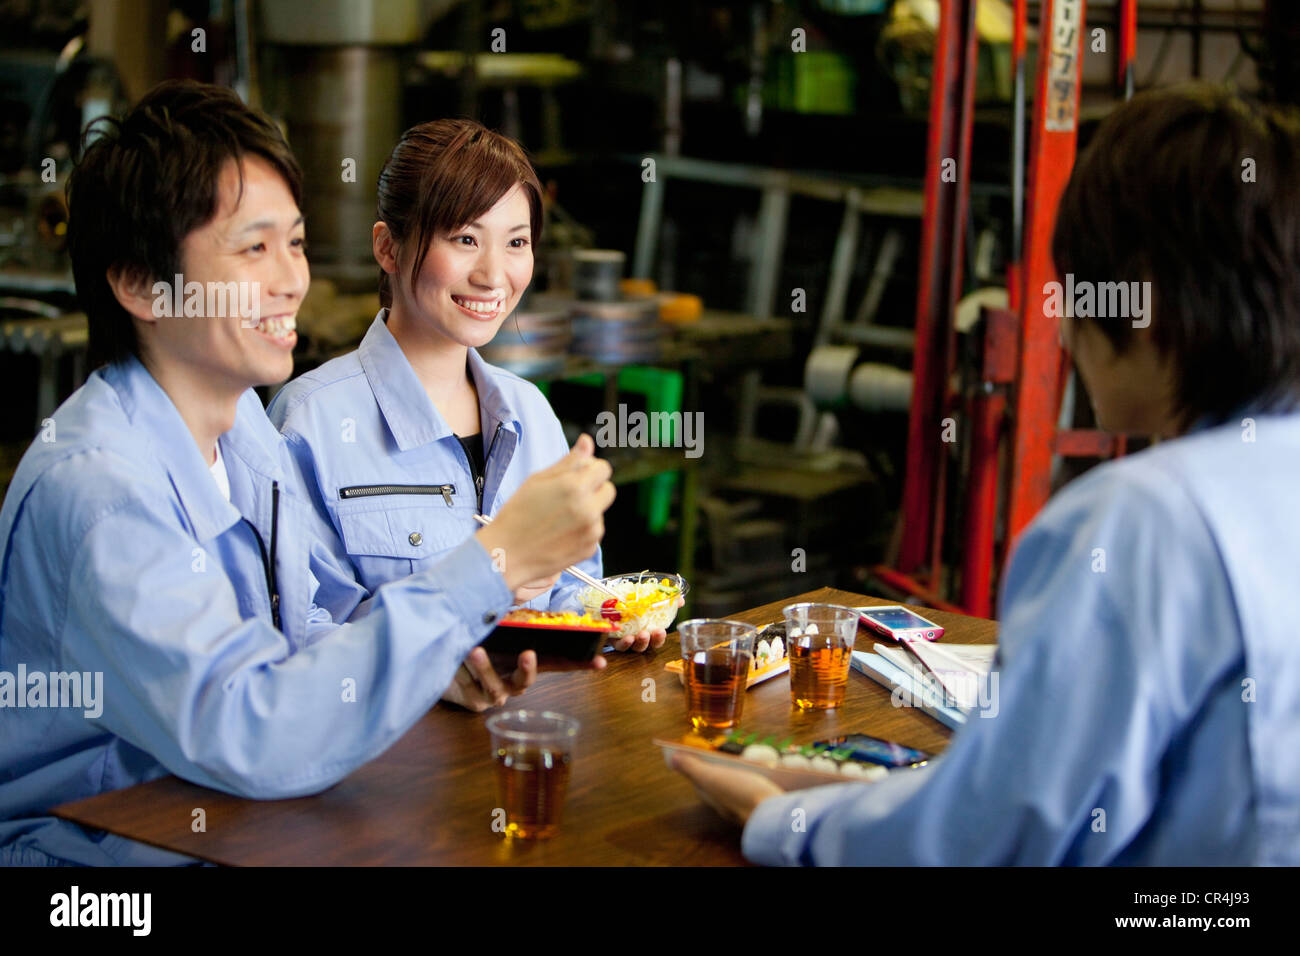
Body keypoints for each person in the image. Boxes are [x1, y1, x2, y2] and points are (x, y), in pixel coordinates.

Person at [674, 84, 1300, 865]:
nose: (1066, 327)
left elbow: (995, 835)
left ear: (1141, 297)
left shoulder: (1145, 519)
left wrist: (783, 821)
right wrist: (873, 803)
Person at [0, 80, 613, 866]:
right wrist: (491, 565)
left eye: (294, 242)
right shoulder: (102, 490)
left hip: (238, 828)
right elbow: (253, 728)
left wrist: (434, 669)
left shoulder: (247, 437)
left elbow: (302, 644)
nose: (292, 279)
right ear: (140, 285)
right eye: (253, 248)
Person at [268, 118, 673, 655]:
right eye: (464, 239)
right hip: (394, 737)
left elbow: (573, 596)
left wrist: (612, 623)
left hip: (527, 731)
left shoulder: (531, 414)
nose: (493, 274)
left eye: (516, 242)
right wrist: (438, 663)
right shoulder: (309, 421)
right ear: (388, 248)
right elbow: (296, 632)